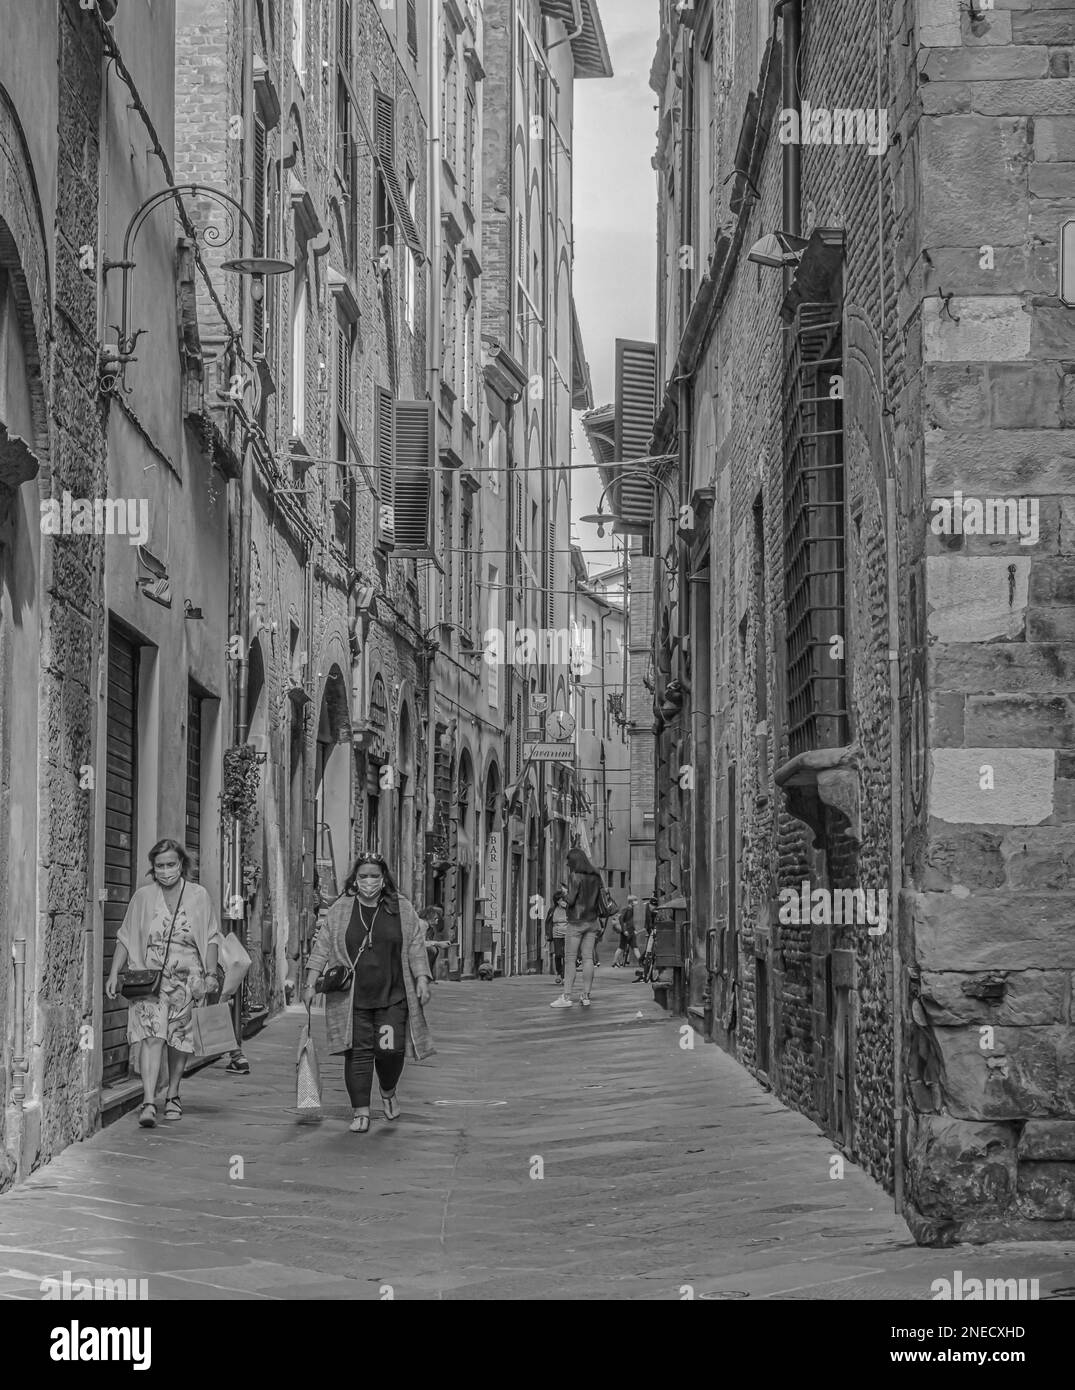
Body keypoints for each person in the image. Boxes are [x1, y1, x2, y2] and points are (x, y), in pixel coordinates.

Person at [303, 851, 434, 1133]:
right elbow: (323, 945)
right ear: (355, 879)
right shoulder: (342, 908)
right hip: (353, 998)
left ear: (384, 878)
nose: (369, 881)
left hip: (393, 997)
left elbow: (415, 945)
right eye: (363, 876)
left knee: (390, 1051)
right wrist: (310, 982)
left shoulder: (400, 907)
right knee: (358, 1054)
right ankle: (361, 1111)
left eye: (375, 876)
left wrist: (422, 978)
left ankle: (387, 1089)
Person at [105, 839, 223, 1129]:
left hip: (188, 980)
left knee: (179, 1040)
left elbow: (210, 936)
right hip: (149, 978)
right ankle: (148, 1101)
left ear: (181, 864)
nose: (166, 870)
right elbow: (126, 935)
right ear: (153, 868)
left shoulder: (198, 895)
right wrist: (113, 972)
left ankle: (173, 1093)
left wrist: (209, 975)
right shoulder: (143, 897)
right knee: (152, 1037)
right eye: (160, 865)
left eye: (171, 864)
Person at [550, 847, 606, 1010]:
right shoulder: (596, 876)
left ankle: (567, 996)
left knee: (570, 959)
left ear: (575, 861)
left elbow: (571, 899)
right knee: (588, 958)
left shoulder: (575, 876)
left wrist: (563, 900)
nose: (567, 864)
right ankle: (586, 996)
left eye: (569, 861)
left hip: (576, 922)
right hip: (592, 921)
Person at [544, 886, 568, 983]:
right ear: (557, 901)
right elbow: (548, 922)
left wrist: (567, 907)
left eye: (563, 899)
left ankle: (564, 975)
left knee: (566, 955)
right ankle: (559, 972)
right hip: (556, 933)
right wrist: (547, 934)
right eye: (560, 900)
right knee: (558, 955)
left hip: (567, 933)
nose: (562, 901)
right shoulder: (552, 909)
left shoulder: (569, 908)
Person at [614, 897, 638, 968]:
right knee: (621, 947)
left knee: (635, 947)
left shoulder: (631, 909)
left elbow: (630, 921)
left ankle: (640, 962)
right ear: (631, 902)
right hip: (626, 932)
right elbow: (621, 919)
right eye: (635, 900)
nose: (636, 902)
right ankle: (614, 962)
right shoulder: (626, 909)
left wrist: (633, 929)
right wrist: (624, 931)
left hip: (630, 931)